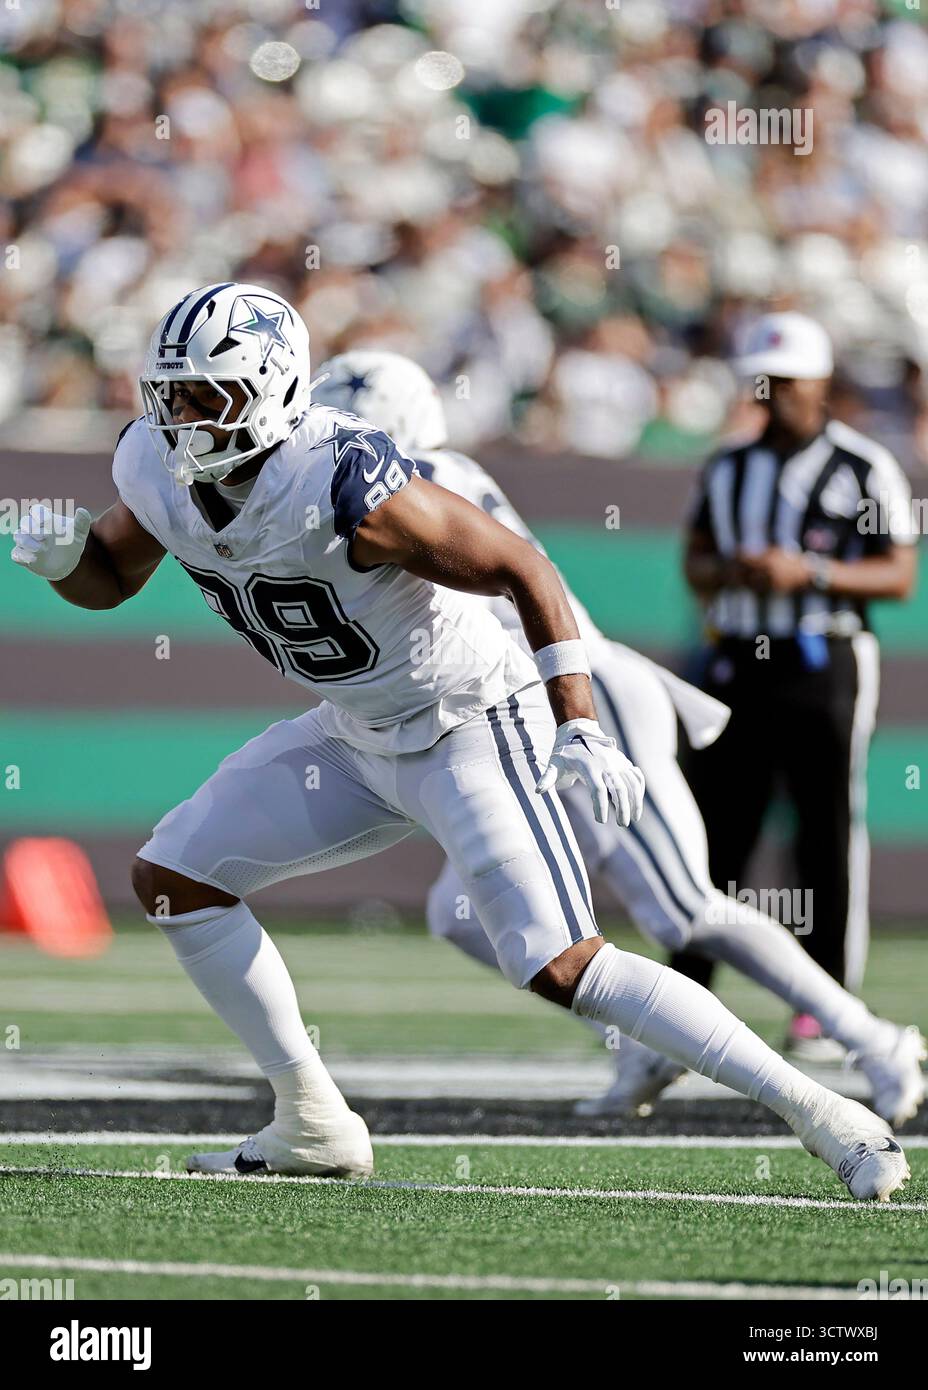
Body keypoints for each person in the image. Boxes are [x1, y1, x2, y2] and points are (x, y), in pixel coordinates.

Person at [10, 283, 913, 1200]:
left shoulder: (341, 479)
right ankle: (312, 1120)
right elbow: (113, 575)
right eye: (171, 395)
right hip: (354, 733)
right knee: (177, 879)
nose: (183, 420)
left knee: (561, 964)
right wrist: (63, 561)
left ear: (276, 390)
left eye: (209, 396)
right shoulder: (155, 470)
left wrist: (580, 724)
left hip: (469, 721)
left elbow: (525, 567)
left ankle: (825, 1113)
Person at [314, 349, 926, 1125]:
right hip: (513, 709)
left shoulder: (413, 481)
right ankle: (638, 1043)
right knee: (460, 912)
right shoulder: (417, 475)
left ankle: (874, 1040)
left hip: (581, 695)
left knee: (684, 908)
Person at [671, 312, 918, 1057]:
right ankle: (683, 1000)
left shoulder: (864, 465)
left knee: (825, 833)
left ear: (819, 385)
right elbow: (696, 561)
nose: (771, 395)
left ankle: (826, 1005)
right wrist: (732, 571)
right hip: (740, 657)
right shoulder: (728, 466)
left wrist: (806, 572)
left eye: (785, 382)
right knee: (714, 827)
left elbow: (898, 574)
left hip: (824, 660)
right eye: (762, 381)